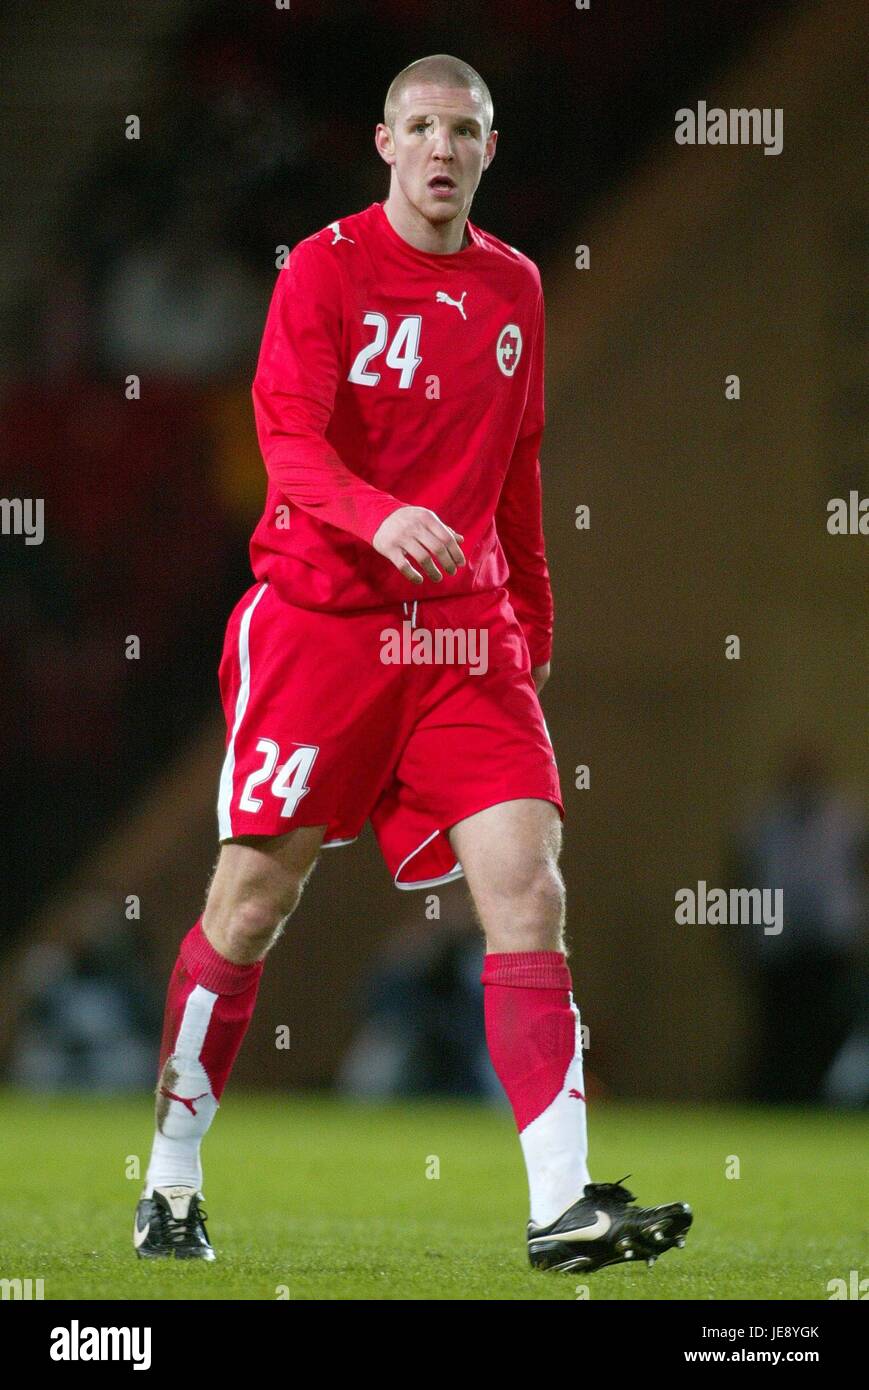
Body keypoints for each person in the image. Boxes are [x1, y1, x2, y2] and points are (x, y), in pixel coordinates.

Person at [133, 54, 692, 1274]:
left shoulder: (515, 285)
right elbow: (285, 436)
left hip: (459, 637)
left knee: (527, 886)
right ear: (386, 144)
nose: (443, 147)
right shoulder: (324, 268)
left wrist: (530, 616)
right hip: (321, 620)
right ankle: (171, 1174)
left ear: (489, 150)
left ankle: (562, 1207)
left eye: (464, 130)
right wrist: (374, 514)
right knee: (251, 904)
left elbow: (515, 462)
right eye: (422, 127)